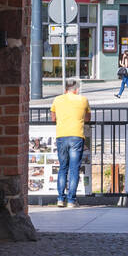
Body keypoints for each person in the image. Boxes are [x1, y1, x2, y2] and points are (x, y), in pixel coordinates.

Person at [49, 78, 90, 207]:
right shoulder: (83, 100)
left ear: (65, 89)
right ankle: (71, 200)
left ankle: (60, 199)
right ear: (76, 89)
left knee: (63, 168)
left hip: (61, 136)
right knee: (74, 169)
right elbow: (88, 118)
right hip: (77, 136)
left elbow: (53, 118)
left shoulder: (57, 100)